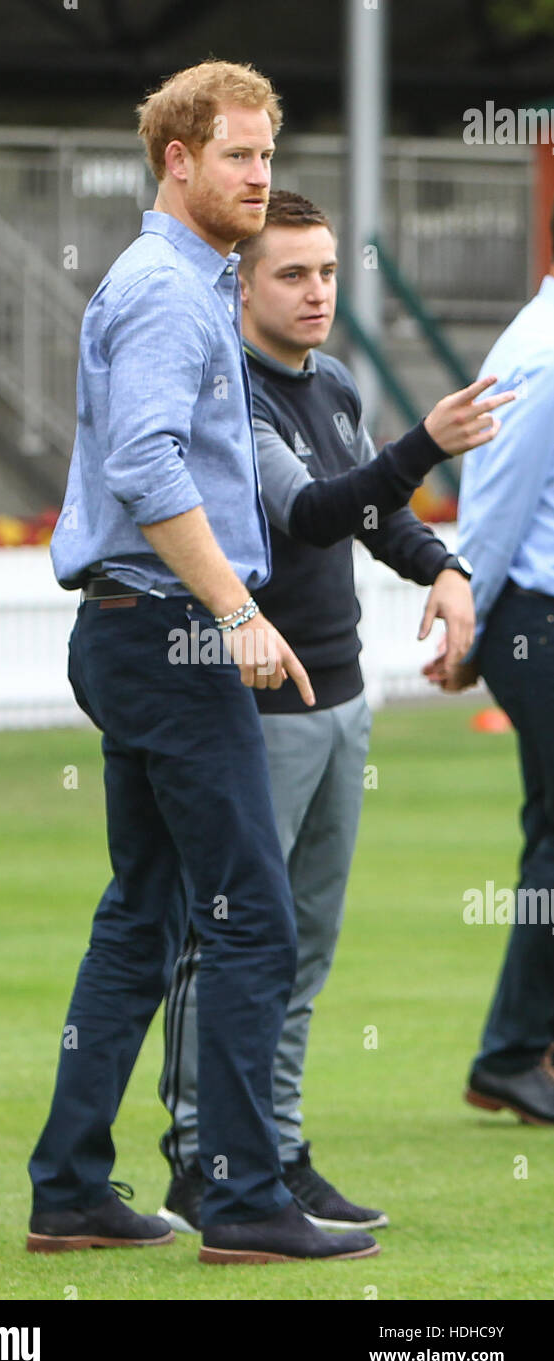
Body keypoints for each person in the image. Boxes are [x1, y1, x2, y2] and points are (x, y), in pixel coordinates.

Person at [27, 60, 388, 1268]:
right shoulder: (172, 293)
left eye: (266, 158)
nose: (256, 177)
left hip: (138, 627)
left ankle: (71, 1187)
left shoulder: (188, 282)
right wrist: (233, 610)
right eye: (235, 156)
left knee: (145, 914)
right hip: (164, 633)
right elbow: (145, 464)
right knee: (252, 918)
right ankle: (240, 1198)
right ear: (174, 161)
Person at [158, 190, 513, 1234]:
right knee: (225, 937)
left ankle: (276, 1143)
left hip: (342, 699)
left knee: (303, 945)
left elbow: (373, 510)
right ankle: (198, 1150)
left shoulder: (334, 381)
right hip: (256, 704)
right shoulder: (235, 397)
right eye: (291, 275)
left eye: (325, 274)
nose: (316, 294)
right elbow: (307, 514)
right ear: (243, 286)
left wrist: (442, 566)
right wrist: (424, 443)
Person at [424, 206, 554, 1126]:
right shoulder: (543, 352)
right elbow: (496, 496)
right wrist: (469, 620)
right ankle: (512, 1052)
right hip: (536, 618)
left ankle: (519, 1050)